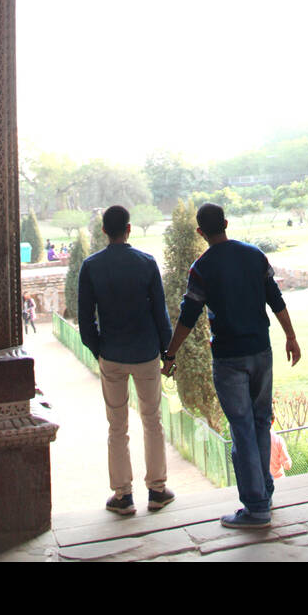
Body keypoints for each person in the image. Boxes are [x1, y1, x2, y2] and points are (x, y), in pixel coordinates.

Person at [161, 202, 301, 528]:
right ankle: (264, 492)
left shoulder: (202, 268)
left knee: (242, 429)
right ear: (226, 223)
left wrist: (170, 354)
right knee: (260, 423)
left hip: (228, 358)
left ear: (200, 232)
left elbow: (188, 316)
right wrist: (291, 337)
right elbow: (276, 299)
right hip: (261, 352)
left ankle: (255, 508)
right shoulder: (255, 256)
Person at [78, 204, 174, 517]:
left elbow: (85, 319)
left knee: (116, 427)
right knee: (152, 421)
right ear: (129, 229)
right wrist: (167, 353)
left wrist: (98, 350)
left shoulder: (91, 267)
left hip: (113, 354)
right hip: (145, 353)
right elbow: (160, 314)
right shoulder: (146, 263)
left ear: (104, 231)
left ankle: (123, 495)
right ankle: (157, 490)